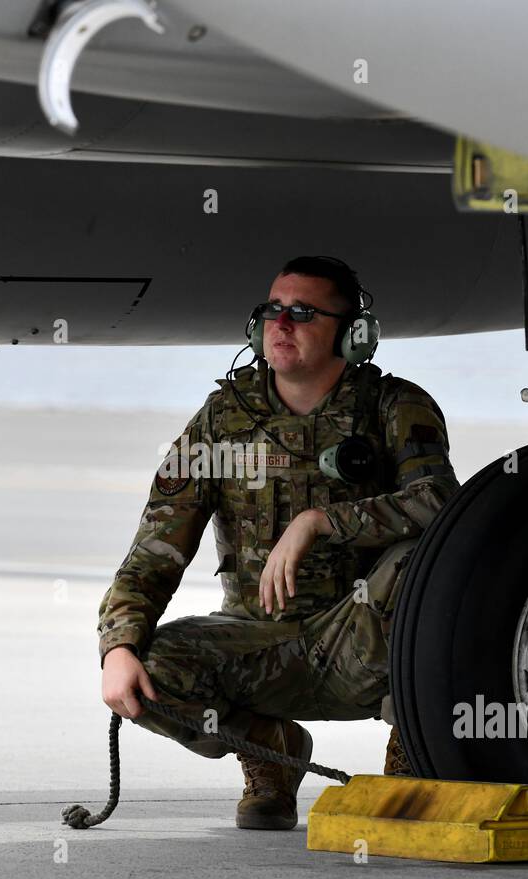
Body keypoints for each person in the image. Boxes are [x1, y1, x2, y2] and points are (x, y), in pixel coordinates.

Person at [98, 255, 459, 830]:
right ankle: (271, 750)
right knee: (151, 664)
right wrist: (118, 644)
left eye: (303, 312)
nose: (281, 323)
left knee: (424, 559)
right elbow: (155, 548)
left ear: (352, 332)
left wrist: (322, 520)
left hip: (361, 639)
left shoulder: (394, 406)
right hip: (259, 645)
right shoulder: (223, 420)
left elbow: (442, 503)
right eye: (272, 309)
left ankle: (409, 753)